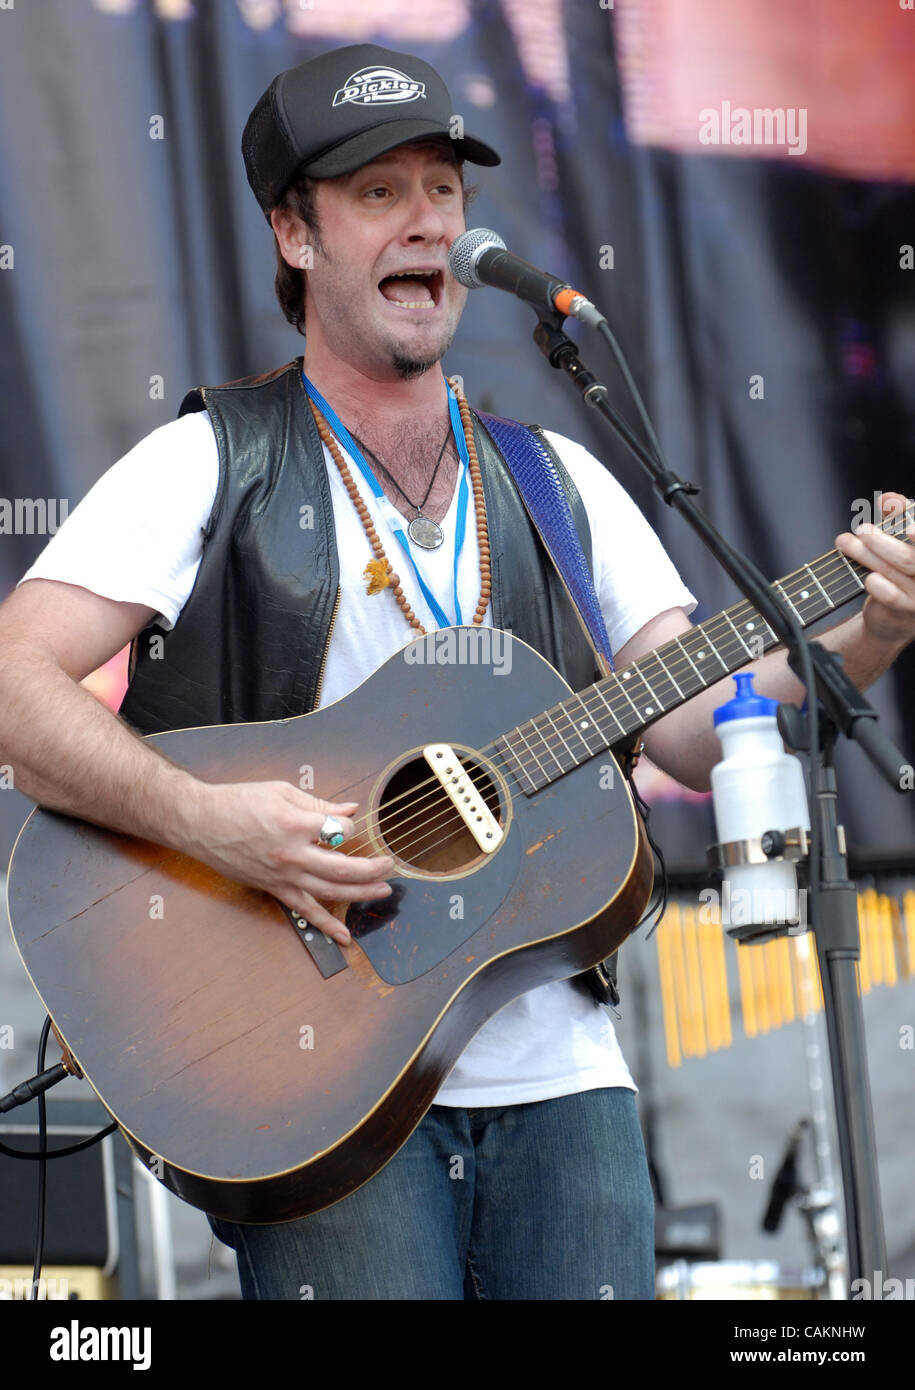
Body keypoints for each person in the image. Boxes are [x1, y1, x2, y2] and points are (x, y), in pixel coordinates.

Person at [1, 44, 913, 1301]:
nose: (426, 220)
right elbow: (14, 688)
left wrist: (865, 632)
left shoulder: (557, 480)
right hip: (312, 1082)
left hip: (562, 1079)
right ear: (293, 233)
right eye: (377, 193)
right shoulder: (212, 461)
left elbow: (699, 725)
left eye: (442, 187)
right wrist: (219, 825)